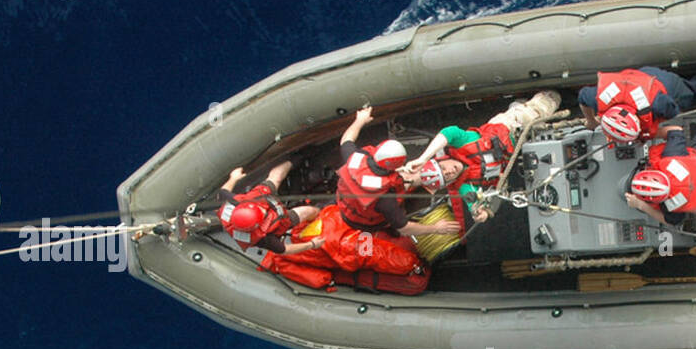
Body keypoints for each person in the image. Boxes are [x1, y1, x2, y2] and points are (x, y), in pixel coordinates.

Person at [402, 91, 561, 222]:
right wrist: (481, 213)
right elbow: (476, 205)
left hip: (511, 125)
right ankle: (517, 104)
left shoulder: (461, 143)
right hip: (515, 150)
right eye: (446, 177)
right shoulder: (464, 186)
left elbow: (447, 133)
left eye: (443, 168)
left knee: (546, 105)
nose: (449, 172)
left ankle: (535, 102)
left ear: (442, 160)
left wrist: (423, 158)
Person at [336, 106, 459, 238]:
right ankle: (387, 230)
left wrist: (360, 120)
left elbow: (346, 140)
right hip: (364, 221)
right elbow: (404, 228)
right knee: (394, 222)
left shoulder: (354, 157)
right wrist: (436, 228)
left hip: (345, 202)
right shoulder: (385, 200)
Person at [624, 118, 696, 225]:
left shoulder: (671, 206)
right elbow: (676, 130)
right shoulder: (671, 155)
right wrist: (646, 135)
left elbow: (671, 221)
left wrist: (641, 205)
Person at [578, 67, 696, 144]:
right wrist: (591, 121)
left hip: (661, 83)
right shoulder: (598, 98)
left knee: (691, 95)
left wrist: (645, 135)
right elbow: (582, 96)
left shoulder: (658, 105)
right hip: (638, 76)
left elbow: (673, 113)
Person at [215, 161, 324, 255]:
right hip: (280, 220)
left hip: (259, 198)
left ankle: (294, 159)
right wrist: (312, 244)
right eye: (262, 212)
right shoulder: (263, 239)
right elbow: (285, 250)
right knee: (309, 211)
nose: (263, 209)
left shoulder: (233, 205)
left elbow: (222, 193)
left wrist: (233, 178)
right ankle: (321, 211)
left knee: (275, 177)